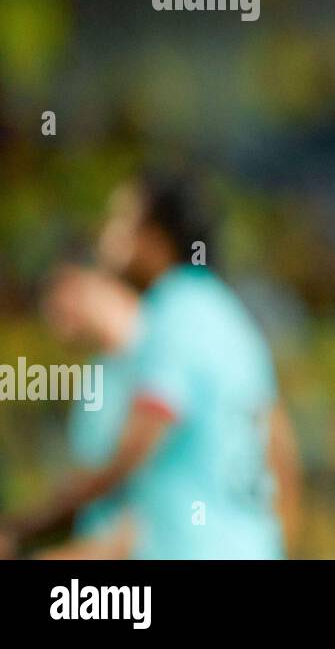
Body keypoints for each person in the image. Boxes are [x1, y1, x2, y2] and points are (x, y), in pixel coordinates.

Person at [0, 170, 300, 559]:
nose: (108, 236)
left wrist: (25, 527)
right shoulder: (232, 321)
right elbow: (280, 455)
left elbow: (135, 452)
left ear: (154, 238)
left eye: (122, 222)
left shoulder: (173, 316)